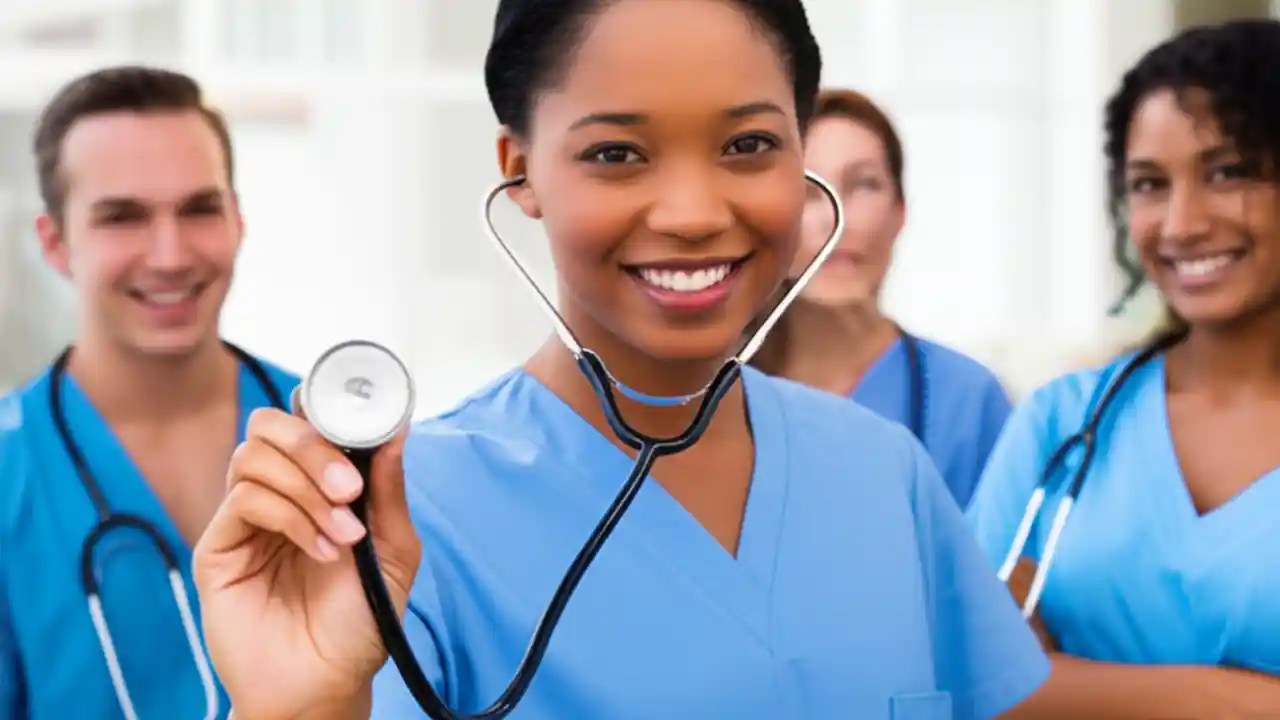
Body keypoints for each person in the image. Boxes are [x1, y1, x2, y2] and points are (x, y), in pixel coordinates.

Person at [191, 1, 1049, 718]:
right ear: (520, 171)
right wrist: (300, 707)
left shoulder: (885, 474)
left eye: (748, 144)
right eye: (616, 154)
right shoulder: (399, 525)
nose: (691, 213)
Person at [968, 19, 1280, 718]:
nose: (1181, 224)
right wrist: (1229, 698)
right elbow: (975, 675)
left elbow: (1026, 681)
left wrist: (1070, 681)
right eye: (1148, 184)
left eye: (1228, 172)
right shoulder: (1062, 422)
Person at [0, 66, 298, 719]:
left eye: (199, 209)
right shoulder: (9, 472)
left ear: (237, 221)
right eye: (122, 217)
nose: (170, 256)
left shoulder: (336, 444)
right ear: (55, 243)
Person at [750, 88, 1012, 508]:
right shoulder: (715, 395)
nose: (837, 217)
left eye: (864, 185)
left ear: (899, 212)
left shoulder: (965, 401)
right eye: (809, 188)